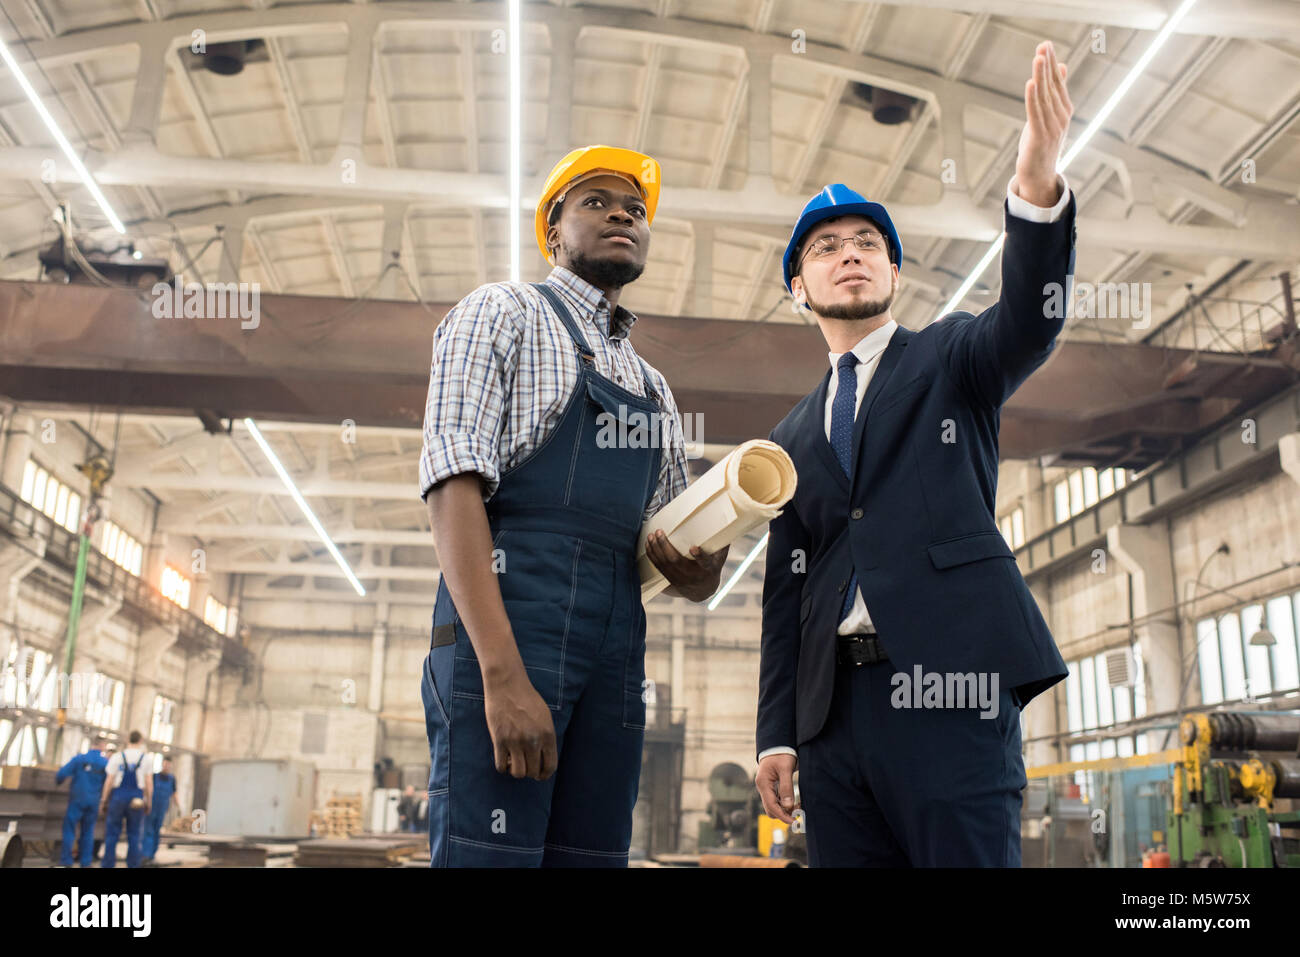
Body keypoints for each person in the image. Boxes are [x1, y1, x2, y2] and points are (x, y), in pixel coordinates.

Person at [754, 41, 1075, 867]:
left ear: (894, 267)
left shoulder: (952, 360)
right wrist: (775, 736)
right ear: (799, 288)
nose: (850, 252)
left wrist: (1036, 186)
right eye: (826, 248)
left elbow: (1028, 322)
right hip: (833, 722)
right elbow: (784, 595)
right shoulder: (791, 436)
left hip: (949, 692)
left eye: (867, 241)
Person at [419, 145, 727, 867]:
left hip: (617, 649)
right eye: (595, 201)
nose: (622, 212)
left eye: (636, 208)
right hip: (509, 621)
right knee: (487, 855)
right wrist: (500, 672)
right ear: (553, 230)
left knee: (591, 857)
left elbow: (679, 552)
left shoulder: (653, 387)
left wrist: (706, 565)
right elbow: (452, 483)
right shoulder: (501, 312)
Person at [99, 730, 153, 868]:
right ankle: (133, 865)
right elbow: (149, 784)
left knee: (112, 834)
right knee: (134, 834)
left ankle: (108, 865)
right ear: (140, 741)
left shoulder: (117, 757)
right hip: (137, 798)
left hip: (118, 797)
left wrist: (104, 800)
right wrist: (148, 802)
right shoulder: (146, 758)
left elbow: (109, 780)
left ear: (128, 739)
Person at [55, 737, 111, 867]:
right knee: (88, 831)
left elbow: (61, 774)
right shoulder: (105, 763)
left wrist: (58, 782)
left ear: (92, 744)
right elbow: (109, 782)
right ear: (103, 746)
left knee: (69, 830)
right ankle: (85, 862)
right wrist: (104, 800)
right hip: (93, 801)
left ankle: (67, 861)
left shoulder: (79, 759)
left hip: (77, 800)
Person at [141, 755, 180, 864]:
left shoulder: (172, 779)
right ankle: (145, 855)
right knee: (148, 831)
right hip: (151, 807)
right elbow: (147, 789)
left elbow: (174, 793)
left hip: (162, 809)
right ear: (162, 764)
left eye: (168, 764)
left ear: (171, 765)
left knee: (157, 832)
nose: (166, 766)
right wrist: (145, 802)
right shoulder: (154, 776)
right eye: (165, 764)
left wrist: (178, 806)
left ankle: (152, 855)